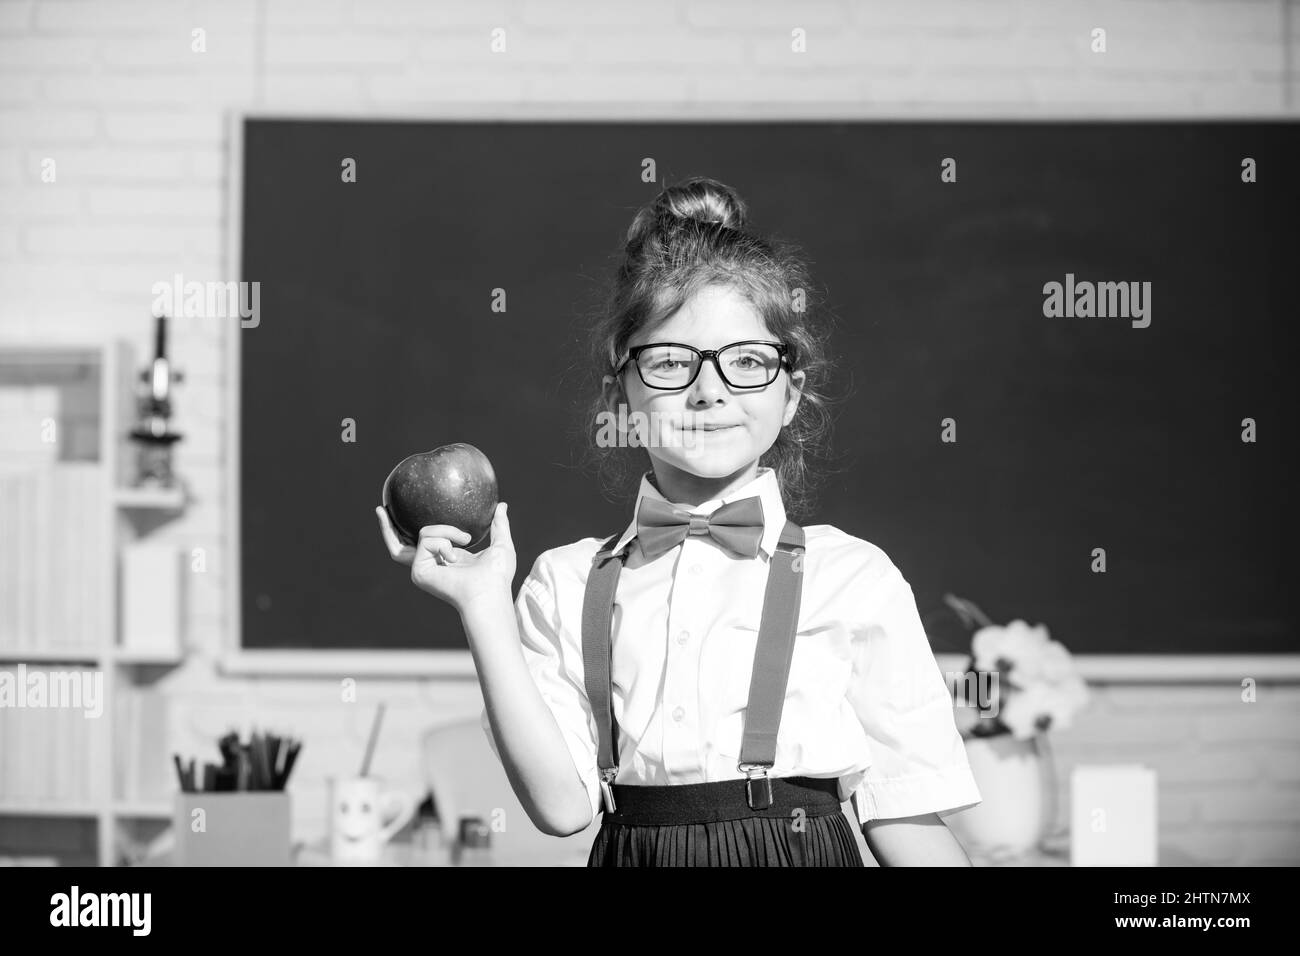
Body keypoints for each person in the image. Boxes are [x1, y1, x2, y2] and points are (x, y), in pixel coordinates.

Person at [376, 176, 981, 866]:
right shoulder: (564, 584)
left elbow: (905, 821)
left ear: (791, 393)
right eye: (670, 362)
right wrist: (483, 604)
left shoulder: (854, 577)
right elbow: (563, 808)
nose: (710, 390)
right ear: (621, 392)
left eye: (748, 361)